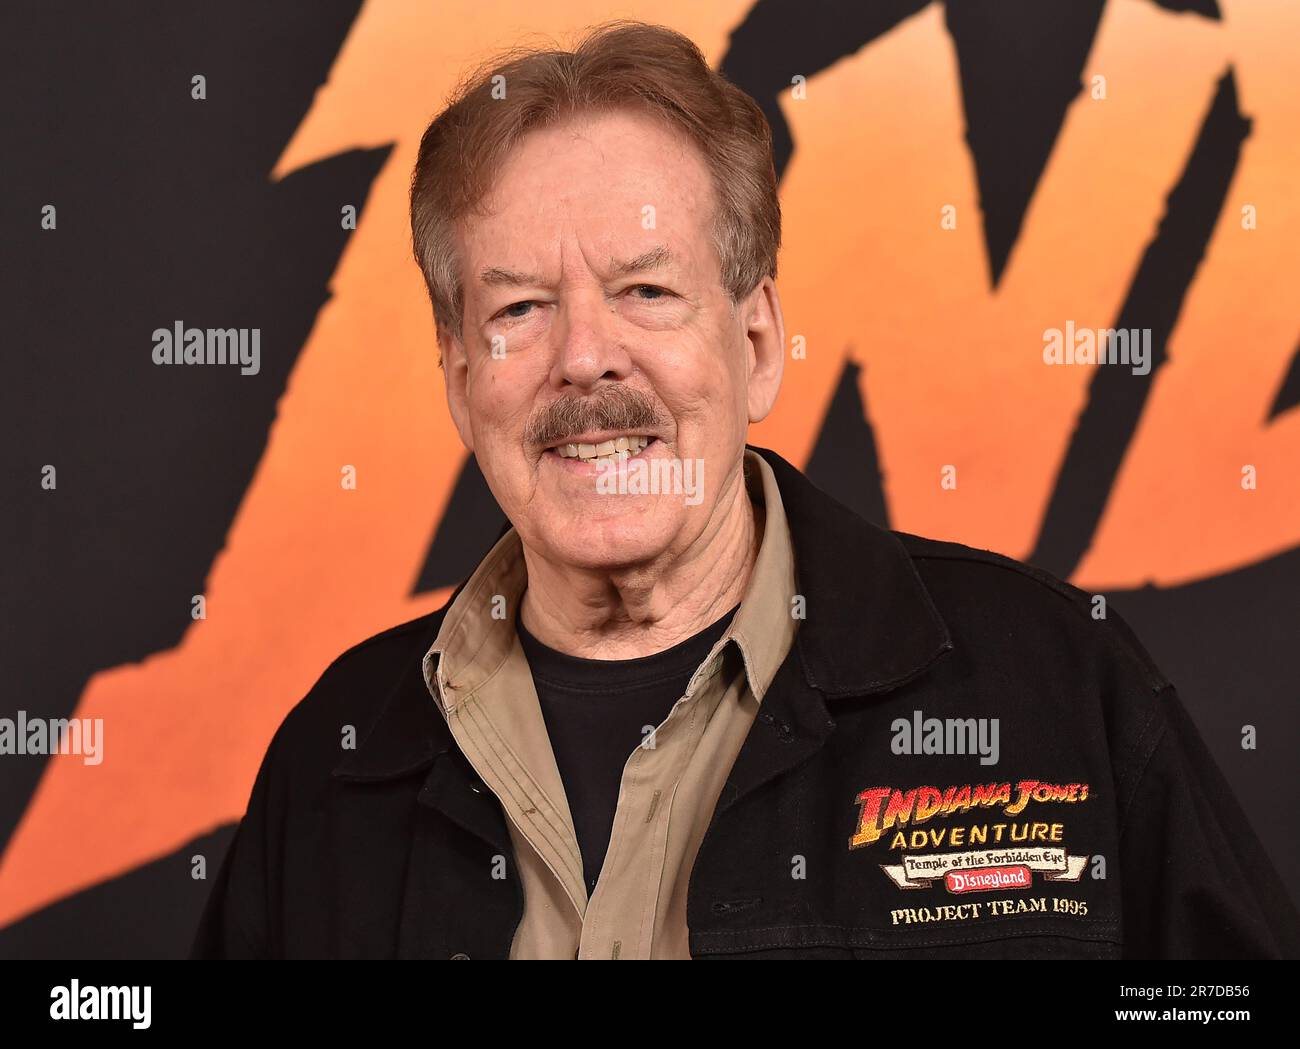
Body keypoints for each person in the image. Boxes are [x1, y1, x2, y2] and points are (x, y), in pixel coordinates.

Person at [191, 19, 1300, 960]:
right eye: (519, 308)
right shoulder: (339, 761)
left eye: (647, 289)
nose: (586, 357)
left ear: (757, 341)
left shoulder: (1052, 689)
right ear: (458, 373)